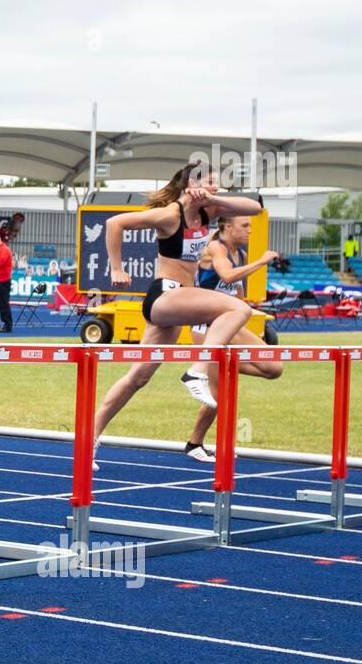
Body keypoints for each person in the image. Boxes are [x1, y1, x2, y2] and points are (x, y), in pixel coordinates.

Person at [90, 162, 264, 469]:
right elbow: (115, 223)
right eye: (212, 184)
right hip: (165, 296)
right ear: (191, 185)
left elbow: (254, 208)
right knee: (238, 308)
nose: (217, 189)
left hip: (180, 301)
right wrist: (117, 267)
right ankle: (197, 370)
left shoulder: (208, 212)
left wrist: (215, 200)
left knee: (138, 377)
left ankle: (88, 437)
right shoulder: (171, 214)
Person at [183, 215, 282, 461]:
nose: (249, 231)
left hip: (230, 325)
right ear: (228, 227)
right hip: (206, 326)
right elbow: (226, 276)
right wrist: (262, 261)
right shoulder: (215, 248)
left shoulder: (242, 256)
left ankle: (226, 367)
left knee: (273, 366)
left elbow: (237, 294)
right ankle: (194, 444)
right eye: (245, 226)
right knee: (218, 396)